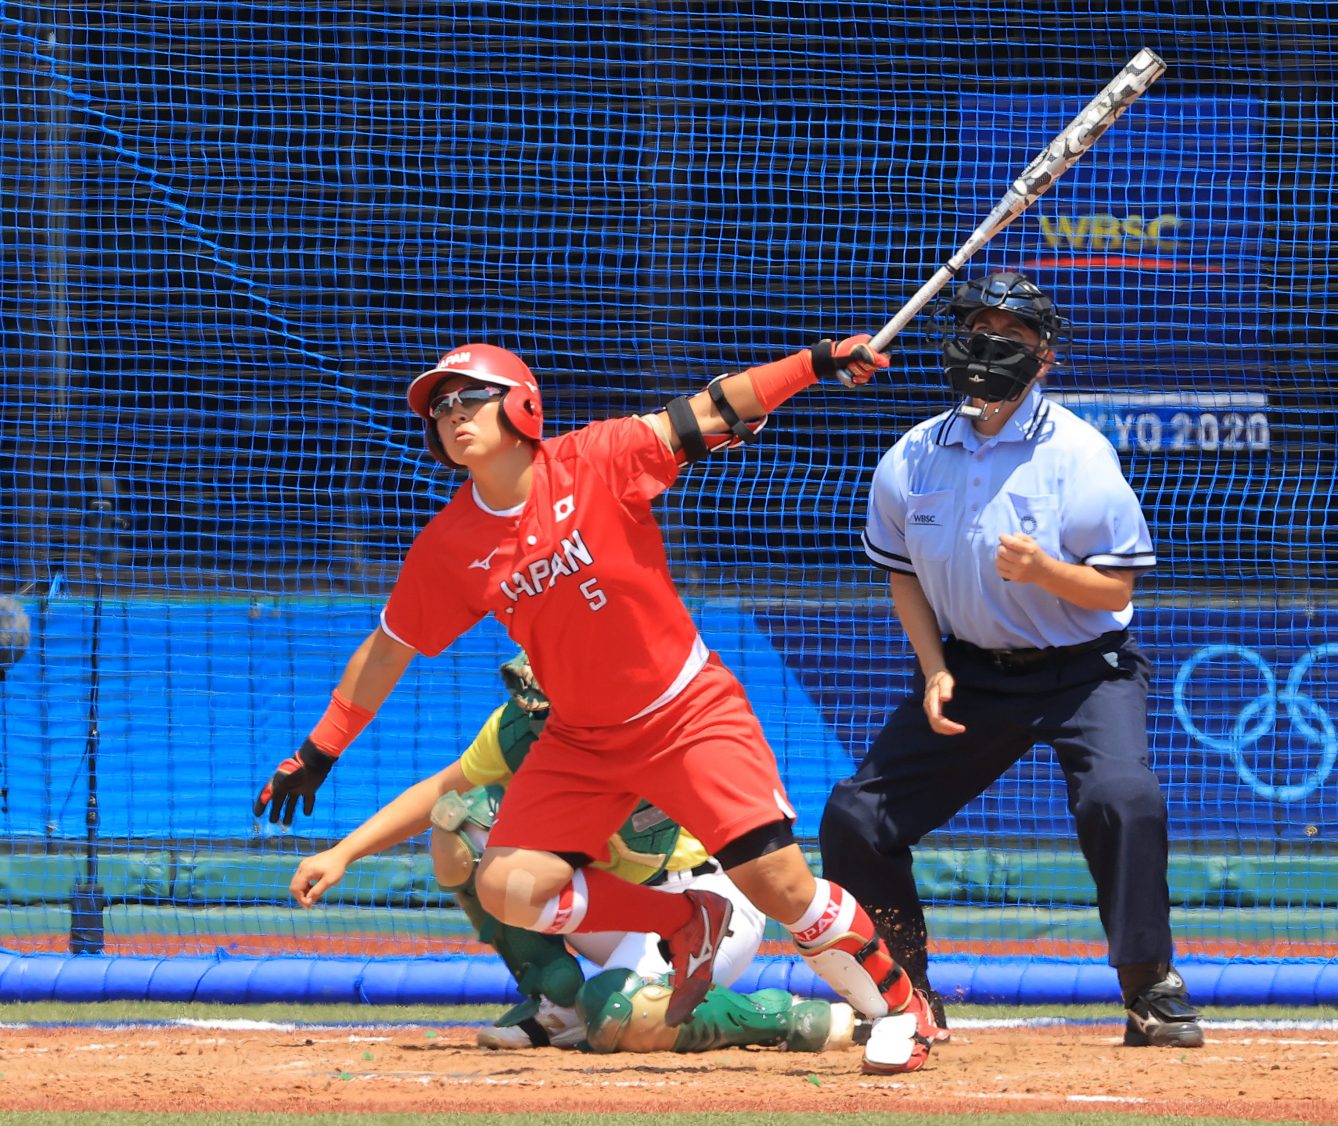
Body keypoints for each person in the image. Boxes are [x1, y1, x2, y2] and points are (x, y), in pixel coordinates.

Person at [257, 332, 940, 1074]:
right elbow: (386, 650)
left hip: (684, 711)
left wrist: (812, 366)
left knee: (778, 884)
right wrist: (319, 750)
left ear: (519, 404)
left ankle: (903, 1009)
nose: (454, 415)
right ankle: (687, 921)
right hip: (584, 739)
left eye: (469, 398)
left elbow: (714, 406)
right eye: (441, 408)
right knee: (509, 885)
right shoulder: (449, 545)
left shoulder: (599, 457)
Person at [818, 270, 1204, 1049]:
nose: (992, 345)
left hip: (1086, 672)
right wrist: (933, 669)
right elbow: (901, 573)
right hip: (972, 673)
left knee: (1124, 799)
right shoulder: (911, 458)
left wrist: (1044, 572)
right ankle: (905, 994)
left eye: (1014, 336)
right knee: (855, 817)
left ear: (1044, 358)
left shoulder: (1080, 454)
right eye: (978, 327)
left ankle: (1148, 986)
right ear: (954, 338)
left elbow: (1116, 585)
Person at [290, 655, 858, 1056]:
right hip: (613, 903)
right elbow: (441, 794)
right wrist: (344, 853)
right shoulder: (523, 726)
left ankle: (780, 1017)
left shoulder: (661, 724)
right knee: (462, 823)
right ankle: (555, 1002)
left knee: (619, 1016)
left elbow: (647, 856)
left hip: (706, 904)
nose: (537, 709)